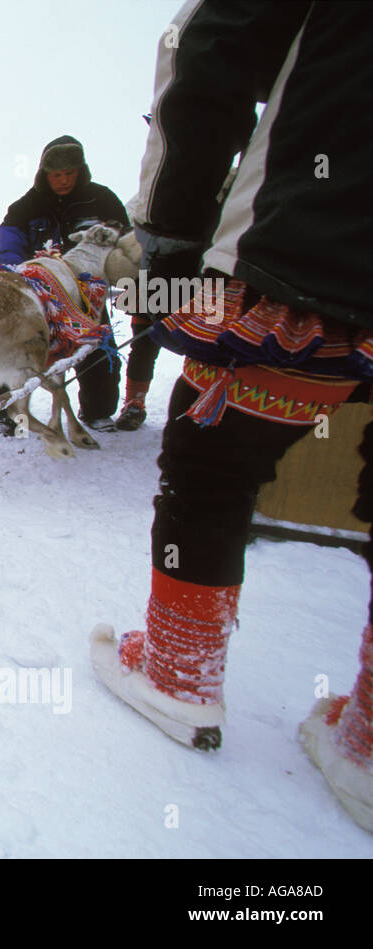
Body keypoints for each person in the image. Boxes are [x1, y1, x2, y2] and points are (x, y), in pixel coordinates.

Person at [91, 1, 373, 833]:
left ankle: (178, 673)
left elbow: (197, 44)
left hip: (310, 244)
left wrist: (173, 239)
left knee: (211, 460)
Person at [0, 135, 128, 434]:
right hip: (37, 295)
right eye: (56, 175)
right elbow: (10, 248)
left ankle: (98, 411)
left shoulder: (102, 200)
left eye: (70, 173)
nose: (63, 180)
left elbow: (124, 242)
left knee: (95, 349)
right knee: (13, 349)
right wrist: (18, 280)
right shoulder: (24, 207)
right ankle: (6, 413)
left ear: (81, 171)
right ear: (44, 174)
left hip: (86, 296)